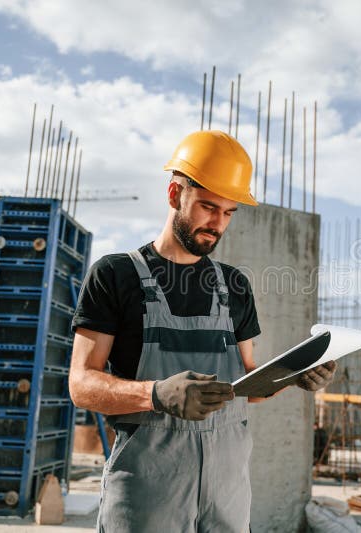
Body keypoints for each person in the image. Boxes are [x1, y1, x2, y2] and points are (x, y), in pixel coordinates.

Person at [68, 130, 336, 533]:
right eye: (208, 207)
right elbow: (81, 385)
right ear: (175, 194)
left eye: (229, 213)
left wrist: (295, 375)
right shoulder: (114, 275)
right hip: (148, 488)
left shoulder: (235, 286)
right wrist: (155, 394)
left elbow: (247, 381)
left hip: (227, 492)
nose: (217, 224)